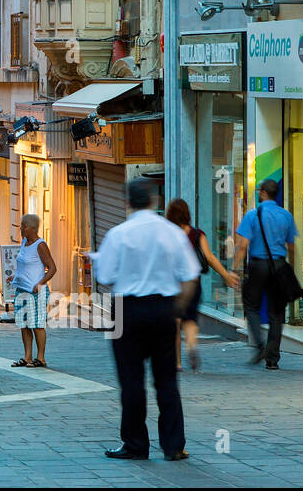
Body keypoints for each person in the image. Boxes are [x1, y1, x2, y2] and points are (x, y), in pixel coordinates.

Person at [93, 179, 200, 462]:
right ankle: (174, 445)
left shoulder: (118, 234)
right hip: (163, 309)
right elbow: (190, 275)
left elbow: (104, 276)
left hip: (127, 311)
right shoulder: (172, 233)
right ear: (154, 200)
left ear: (128, 202)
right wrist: (177, 308)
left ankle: (136, 444)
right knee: (167, 380)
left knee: (131, 381)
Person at [165, 198, 239, 372]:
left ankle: (177, 363)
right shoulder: (197, 234)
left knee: (174, 323)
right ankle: (191, 348)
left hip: (172, 283)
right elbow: (209, 258)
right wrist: (226, 275)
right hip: (193, 283)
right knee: (190, 320)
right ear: (187, 214)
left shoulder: (167, 233)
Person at [233, 178, 300, 370]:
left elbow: (243, 246)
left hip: (257, 265)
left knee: (251, 306)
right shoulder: (286, 216)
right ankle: (272, 359)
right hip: (279, 266)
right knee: (277, 313)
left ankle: (259, 344)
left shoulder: (253, 215)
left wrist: (234, 269)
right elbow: (292, 247)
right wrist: (291, 268)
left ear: (262, 193)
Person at [11, 214, 57, 369]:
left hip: (36, 292)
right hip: (22, 290)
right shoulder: (24, 242)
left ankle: (41, 358)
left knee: (37, 324)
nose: (21, 228)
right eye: (21, 225)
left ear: (32, 228)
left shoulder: (40, 245)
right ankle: (27, 357)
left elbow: (52, 268)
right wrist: (15, 277)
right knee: (24, 325)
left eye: (24, 226)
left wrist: (41, 283)